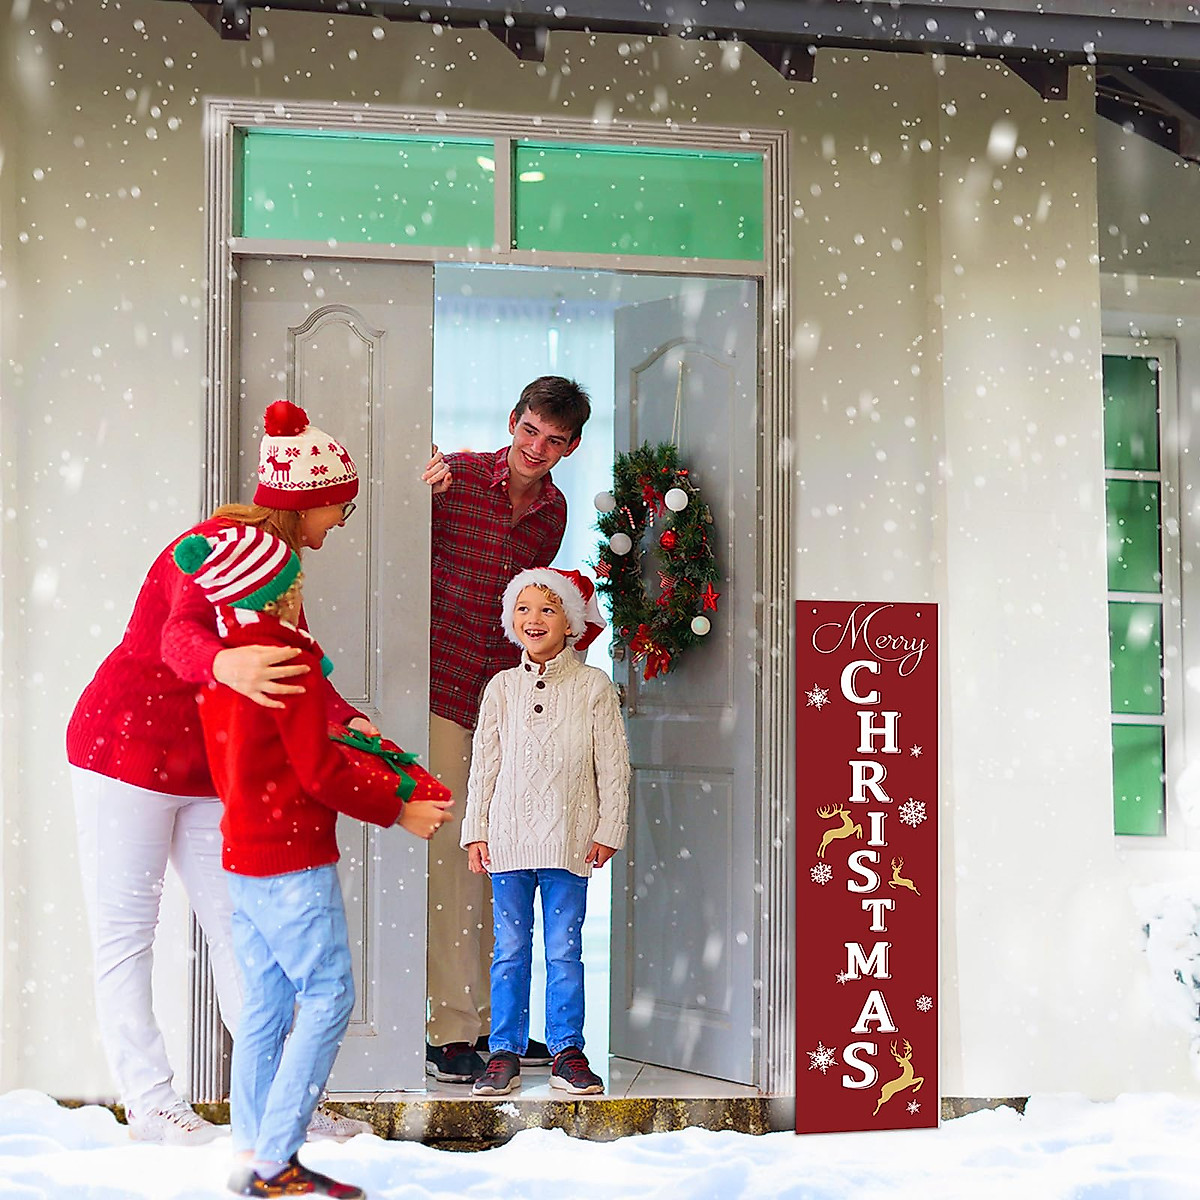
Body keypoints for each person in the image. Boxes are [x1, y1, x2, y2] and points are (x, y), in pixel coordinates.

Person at [67, 400, 376, 1145]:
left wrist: (348, 722)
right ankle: (152, 1104)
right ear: (307, 502)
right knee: (127, 935)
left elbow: (299, 666)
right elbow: (177, 637)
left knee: (250, 935)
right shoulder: (210, 547)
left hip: (207, 772)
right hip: (122, 753)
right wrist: (223, 663)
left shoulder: (282, 571)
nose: (341, 523)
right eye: (340, 508)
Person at [172, 524, 452, 1198]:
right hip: (292, 861)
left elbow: (273, 751)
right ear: (282, 596)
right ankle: (276, 1161)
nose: (303, 595)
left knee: (267, 1002)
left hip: (242, 855)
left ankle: (250, 1151)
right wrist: (399, 805)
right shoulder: (287, 660)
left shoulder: (228, 663)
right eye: (297, 584)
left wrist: (346, 733)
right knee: (329, 996)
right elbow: (319, 772)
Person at [420, 376, 592, 1084]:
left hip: (502, 700)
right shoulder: (455, 478)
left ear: (570, 447)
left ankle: (499, 1026)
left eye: (554, 440)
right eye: (530, 431)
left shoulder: (554, 511)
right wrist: (418, 491)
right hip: (439, 687)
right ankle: (448, 1027)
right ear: (512, 421)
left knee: (505, 855)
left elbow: (525, 607)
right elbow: (399, 554)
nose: (537, 448)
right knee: (453, 862)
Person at [461, 567, 630, 1097]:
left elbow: (613, 765)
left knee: (563, 950)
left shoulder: (592, 687)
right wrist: (476, 830)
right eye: (524, 608)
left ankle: (567, 1052)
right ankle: (504, 1052)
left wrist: (610, 825)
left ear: (571, 622)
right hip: (507, 841)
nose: (534, 619)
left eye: (548, 609)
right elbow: (484, 764)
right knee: (509, 949)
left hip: (569, 840)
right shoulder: (502, 687)